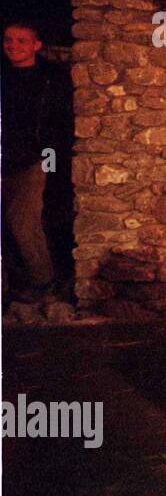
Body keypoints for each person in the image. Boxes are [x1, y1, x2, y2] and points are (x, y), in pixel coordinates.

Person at [2, 22, 72, 303]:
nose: (13, 45)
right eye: (8, 39)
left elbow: (60, 122)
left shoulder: (51, 78)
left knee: (22, 222)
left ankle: (44, 282)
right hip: (4, 157)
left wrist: (49, 158)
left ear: (36, 45)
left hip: (32, 160)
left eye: (21, 40)